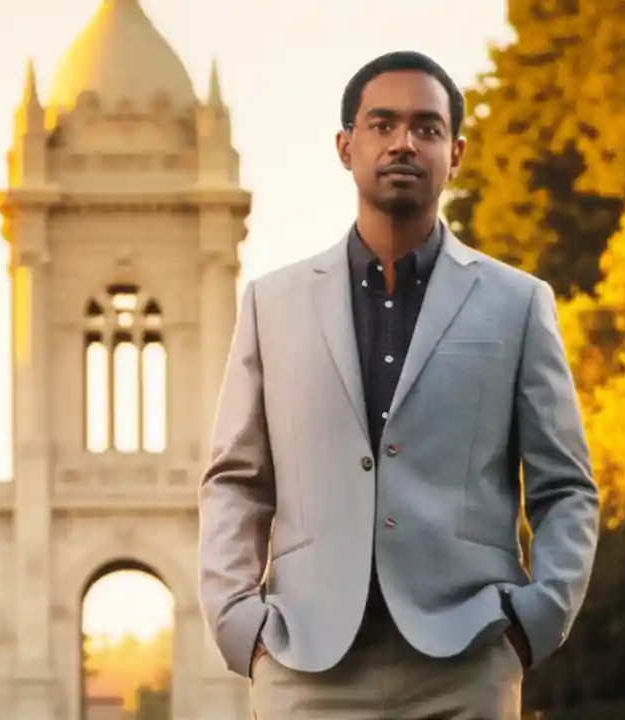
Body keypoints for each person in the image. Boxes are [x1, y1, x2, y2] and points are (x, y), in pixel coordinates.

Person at [197, 50, 601, 719]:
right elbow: (236, 479)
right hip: (305, 667)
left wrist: (533, 623)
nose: (403, 143)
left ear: (457, 153)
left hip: (466, 663)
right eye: (382, 125)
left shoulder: (517, 303)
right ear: (346, 147)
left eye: (427, 128)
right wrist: (241, 625)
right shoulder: (273, 303)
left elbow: (566, 486)